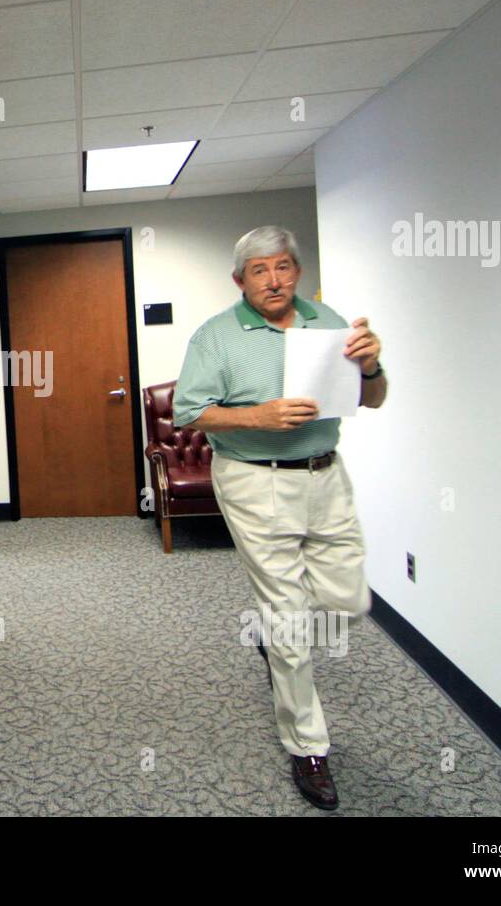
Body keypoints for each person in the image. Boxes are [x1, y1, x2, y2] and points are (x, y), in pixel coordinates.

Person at [172, 225, 386, 811]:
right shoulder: (215, 337)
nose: (274, 280)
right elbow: (189, 413)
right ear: (240, 280)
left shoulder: (329, 321)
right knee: (292, 621)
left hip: (325, 473)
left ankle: (276, 633)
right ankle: (308, 747)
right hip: (253, 479)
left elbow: (373, 398)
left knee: (347, 603)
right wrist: (258, 416)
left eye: (284, 267)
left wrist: (371, 368)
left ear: (298, 271)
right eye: (260, 270)